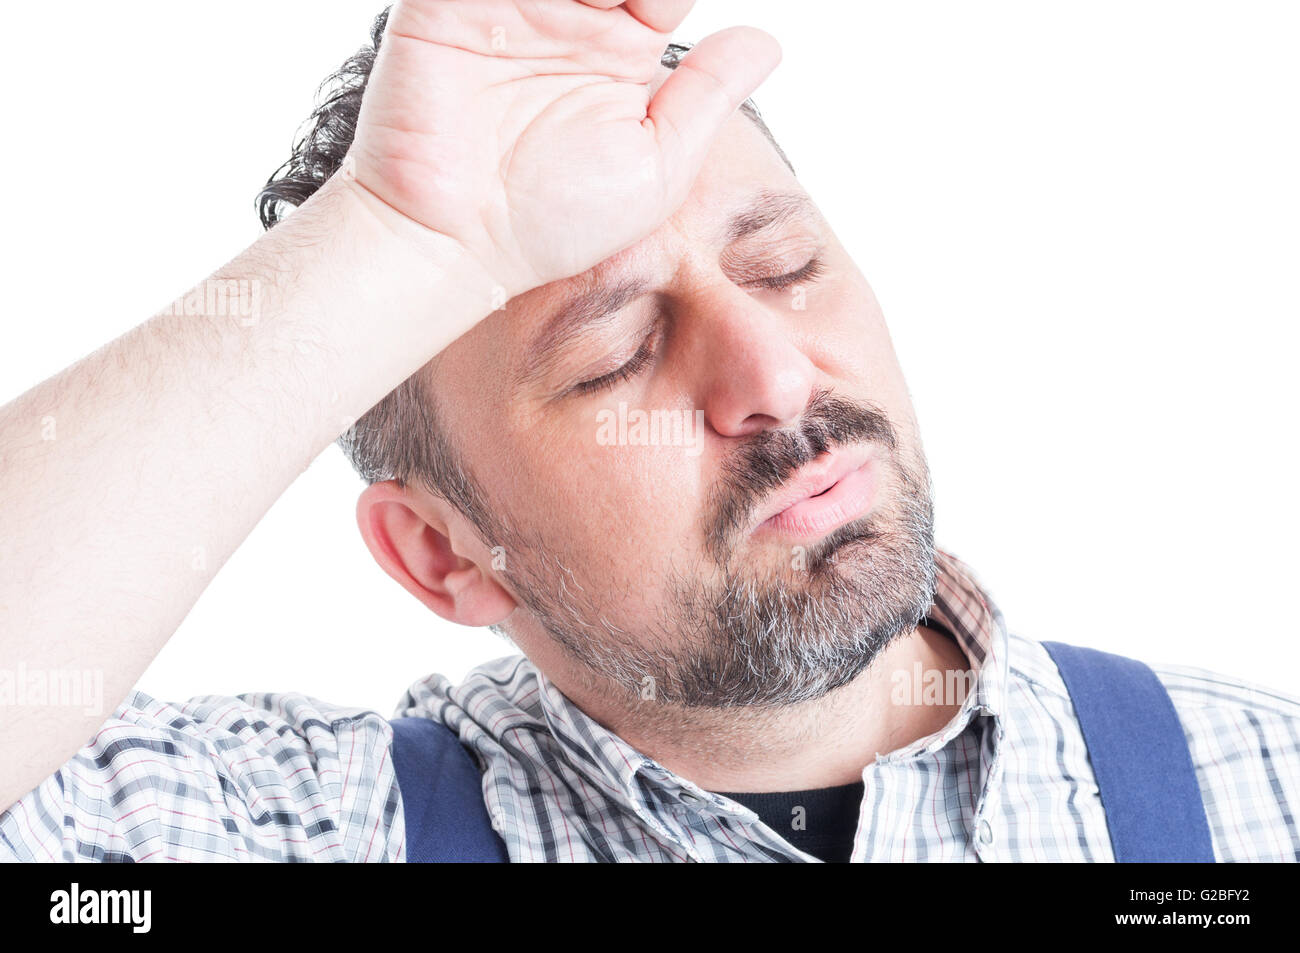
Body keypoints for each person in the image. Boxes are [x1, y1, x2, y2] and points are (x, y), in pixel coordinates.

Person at [1, 0, 1297, 863]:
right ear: (442, 554)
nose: (777, 379)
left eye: (786, 264)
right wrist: (396, 241)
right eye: (617, 351)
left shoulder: (1261, 788)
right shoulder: (319, 830)